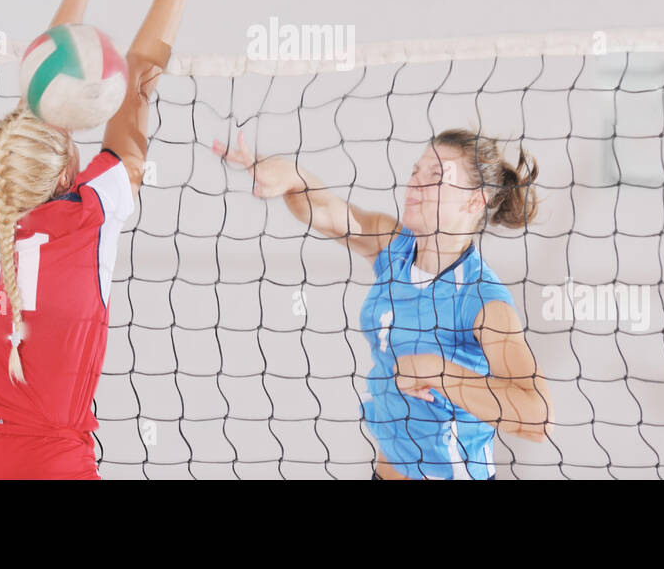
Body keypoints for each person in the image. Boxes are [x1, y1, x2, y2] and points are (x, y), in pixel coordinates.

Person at [0, 0, 239, 478]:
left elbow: (44, 86)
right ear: (69, 171)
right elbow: (139, 74)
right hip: (48, 459)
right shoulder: (92, 211)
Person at [215, 128, 553, 479]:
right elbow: (327, 212)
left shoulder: (483, 299)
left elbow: (537, 417)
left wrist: (440, 372)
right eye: (415, 172)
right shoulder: (394, 247)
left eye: (436, 176)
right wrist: (292, 177)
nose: (415, 184)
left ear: (474, 201)